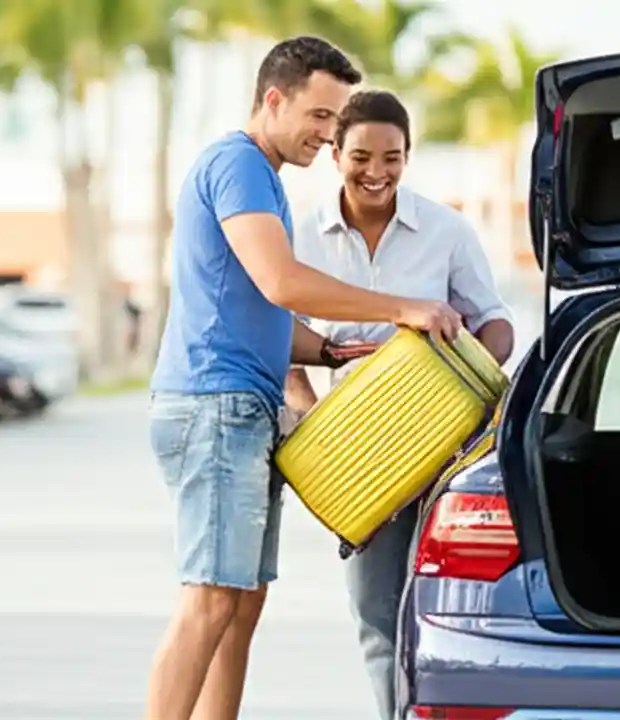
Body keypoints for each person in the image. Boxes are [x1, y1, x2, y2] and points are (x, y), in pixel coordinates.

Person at [144, 37, 464, 720]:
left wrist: (336, 353)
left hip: (244, 408)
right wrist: (402, 308)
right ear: (274, 99)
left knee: (240, 600)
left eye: (336, 118)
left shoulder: (262, 181)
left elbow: (262, 309)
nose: (328, 133)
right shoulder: (238, 165)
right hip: (214, 406)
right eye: (320, 116)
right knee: (209, 598)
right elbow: (281, 281)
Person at [284, 88, 515, 720]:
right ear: (336, 153)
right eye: (361, 155)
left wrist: (473, 370)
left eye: (392, 157)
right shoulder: (300, 235)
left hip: (444, 451)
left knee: (440, 610)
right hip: (358, 460)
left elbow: (495, 321)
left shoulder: (445, 230)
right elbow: (280, 335)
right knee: (376, 615)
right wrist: (308, 417)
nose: (376, 172)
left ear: (408, 156)